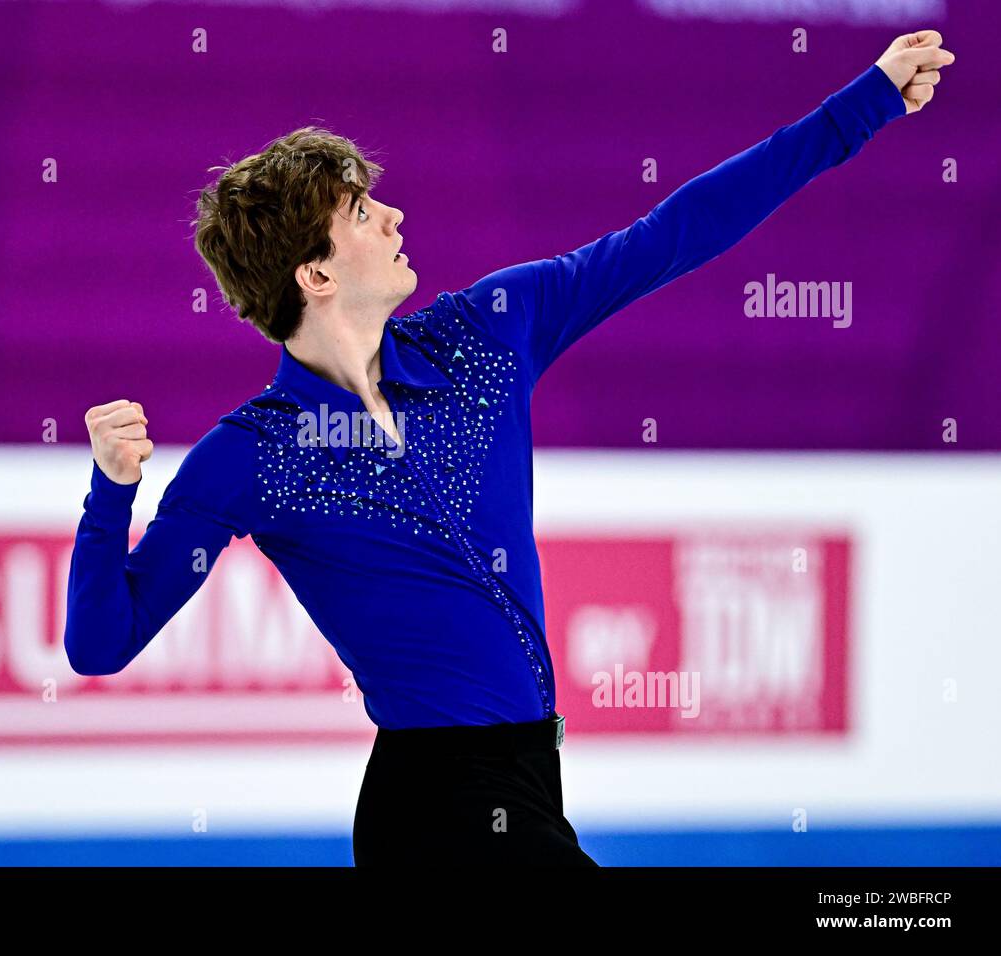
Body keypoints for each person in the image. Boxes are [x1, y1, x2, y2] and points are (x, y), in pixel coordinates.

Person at [64, 32, 953, 866]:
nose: (395, 216)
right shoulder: (249, 457)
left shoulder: (486, 335)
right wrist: (110, 496)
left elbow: (675, 233)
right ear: (317, 273)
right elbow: (103, 645)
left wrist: (860, 106)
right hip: (438, 801)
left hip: (526, 780)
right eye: (365, 212)